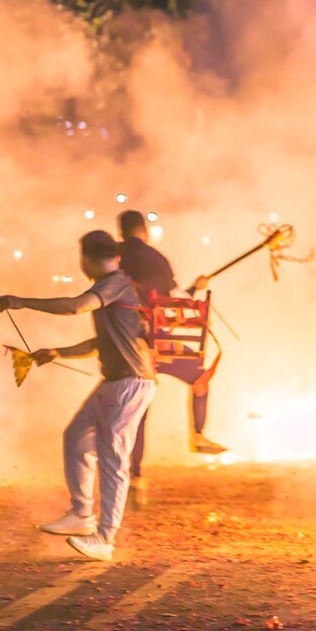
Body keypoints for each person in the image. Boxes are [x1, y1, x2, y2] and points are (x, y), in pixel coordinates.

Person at [0, 230, 156, 562]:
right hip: (116, 382)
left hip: (130, 383)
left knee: (112, 459)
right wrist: (59, 351)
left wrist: (22, 301)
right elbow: (100, 343)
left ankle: (105, 538)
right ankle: (82, 515)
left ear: (86, 258)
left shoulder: (114, 283)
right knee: (77, 437)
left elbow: (74, 307)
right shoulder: (114, 286)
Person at [116, 210, 222, 509]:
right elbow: (167, 302)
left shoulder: (114, 257)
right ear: (144, 230)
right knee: (199, 376)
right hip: (157, 343)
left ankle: (134, 478)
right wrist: (195, 289)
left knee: (138, 410)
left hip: (125, 343)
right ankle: (198, 433)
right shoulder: (156, 258)